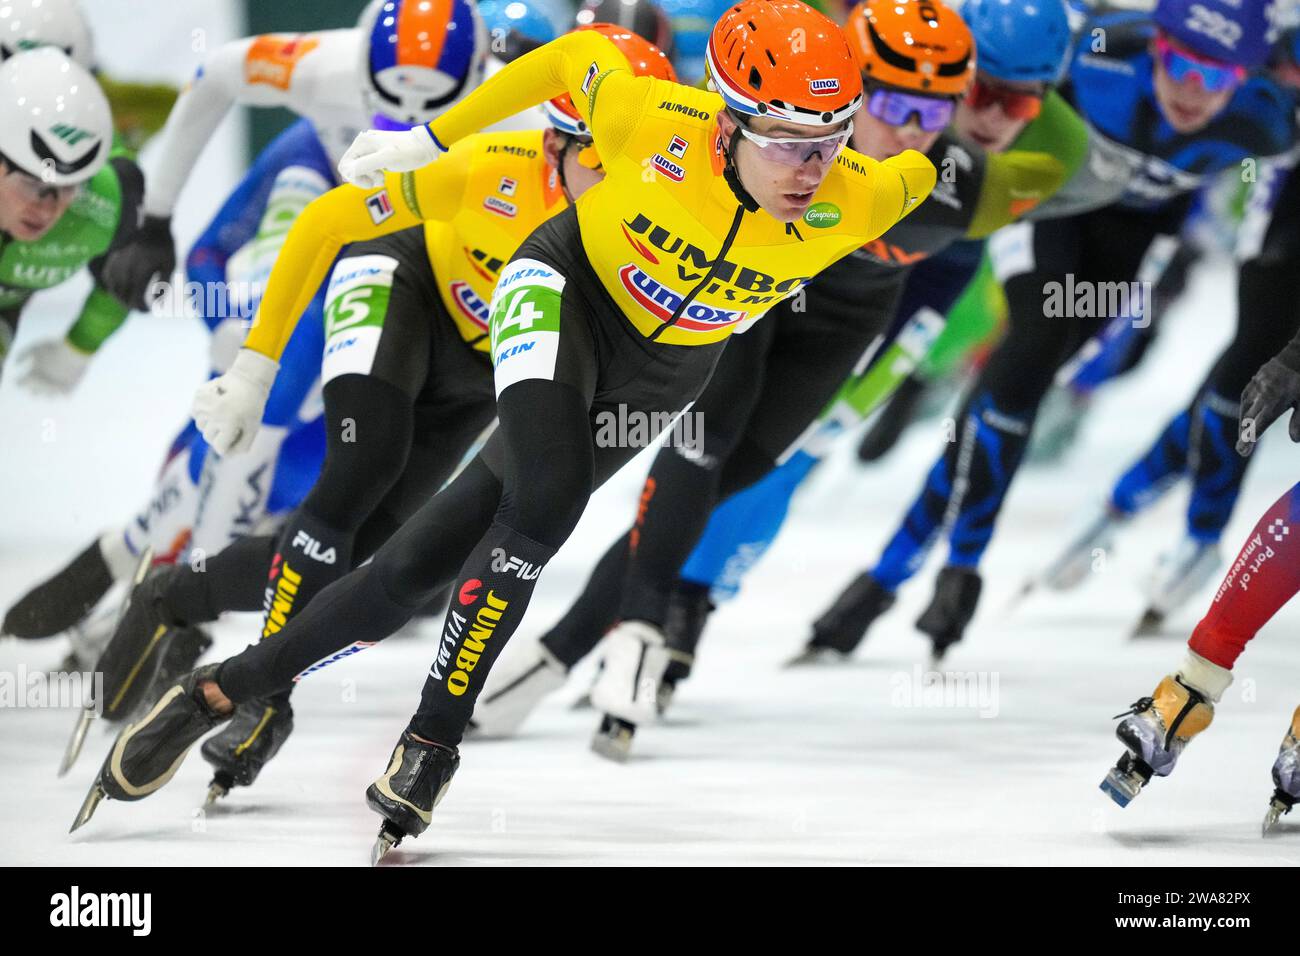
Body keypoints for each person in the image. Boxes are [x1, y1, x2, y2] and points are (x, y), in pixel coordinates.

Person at [73, 1, 937, 857]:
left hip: (664, 370)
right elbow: (573, 60)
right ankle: (432, 744)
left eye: (832, 140)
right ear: (725, 123)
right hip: (559, 292)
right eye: (787, 140)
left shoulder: (874, 193)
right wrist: (434, 140)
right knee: (542, 502)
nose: (812, 168)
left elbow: (949, 174)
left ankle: (219, 690)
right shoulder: (653, 118)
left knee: (415, 568)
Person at [70, 25, 675, 805]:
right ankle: (264, 697)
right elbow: (326, 222)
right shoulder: (497, 167)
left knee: (381, 565)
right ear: (552, 141)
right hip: (401, 281)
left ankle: (178, 595)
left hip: (478, 365)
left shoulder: (647, 228)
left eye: (629, 167)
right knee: (363, 464)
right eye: (594, 159)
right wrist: (254, 370)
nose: (612, 181)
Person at [466, 0, 1091, 747]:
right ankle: (624, 630)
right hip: (763, 282)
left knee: (751, 469)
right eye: (889, 104)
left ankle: (613, 631)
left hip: (868, 303)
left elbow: (1054, 201)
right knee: (701, 446)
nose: (928, 126)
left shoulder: (976, 174)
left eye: (1006, 103)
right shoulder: (804, 125)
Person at [792, 0, 1296, 663]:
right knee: (1022, 364)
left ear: (1250, 78)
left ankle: (890, 575)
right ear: (1154, 45)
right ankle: (942, 568)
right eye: (1177, 63)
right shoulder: (1099, 50)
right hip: (1049, 209)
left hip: (1132, 240)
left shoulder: (1269, 121)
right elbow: (1002, 46)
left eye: (1217, 78)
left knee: (1008, 399)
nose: (1191, 93)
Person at [2, 0, 490, 661]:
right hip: (316, 226)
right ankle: (155, 583)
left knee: (294, 467)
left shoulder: (508, 118)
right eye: (387, 105)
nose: (401, 123)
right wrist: (199, 286)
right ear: (359, 78)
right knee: (246, 428)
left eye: (426, 110)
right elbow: (209, 241)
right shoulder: (314, 98)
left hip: (408, 248)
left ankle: (137, 563)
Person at [0, 48, 142, 394]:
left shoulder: (109, 203)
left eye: (69, 188)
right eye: (34, 186)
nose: (48, 208)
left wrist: (79, 347)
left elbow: (129, 277)